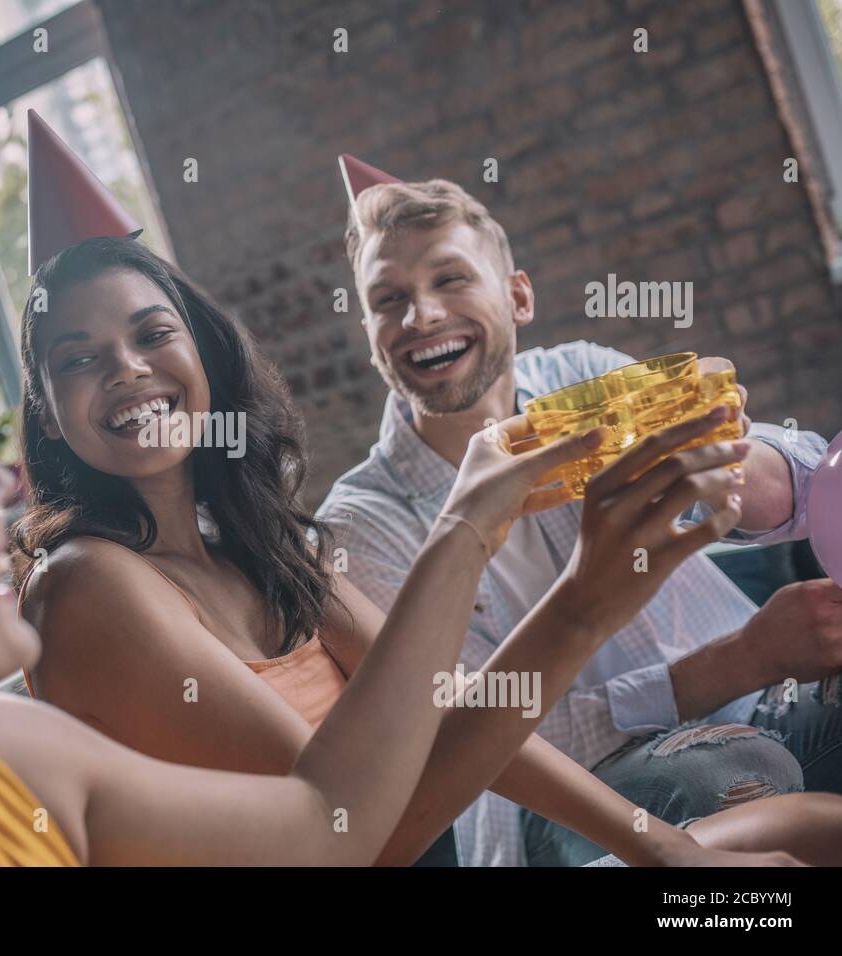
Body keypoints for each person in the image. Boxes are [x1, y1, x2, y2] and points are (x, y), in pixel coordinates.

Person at [10, 116, 841, 865]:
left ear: (208, 360)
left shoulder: (264, 552)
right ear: (45, 412)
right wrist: (481, 531)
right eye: (77, 357)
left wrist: (666, 851)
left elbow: (466, 726)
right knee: (750, 833)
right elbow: (340, 832)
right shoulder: (86, 582)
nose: (126, 369)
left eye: (152, 333)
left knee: (800, 836)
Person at [318, 155, 842, 865]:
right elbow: (479, 747)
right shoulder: (359, 529)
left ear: (518, 298)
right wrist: (743, 658)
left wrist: (754, 469)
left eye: (450, 278)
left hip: (760, 702)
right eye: (387, 299)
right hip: (553, 810)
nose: (422, 316)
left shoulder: (581, 377)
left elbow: (796, 477)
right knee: (732, 774)